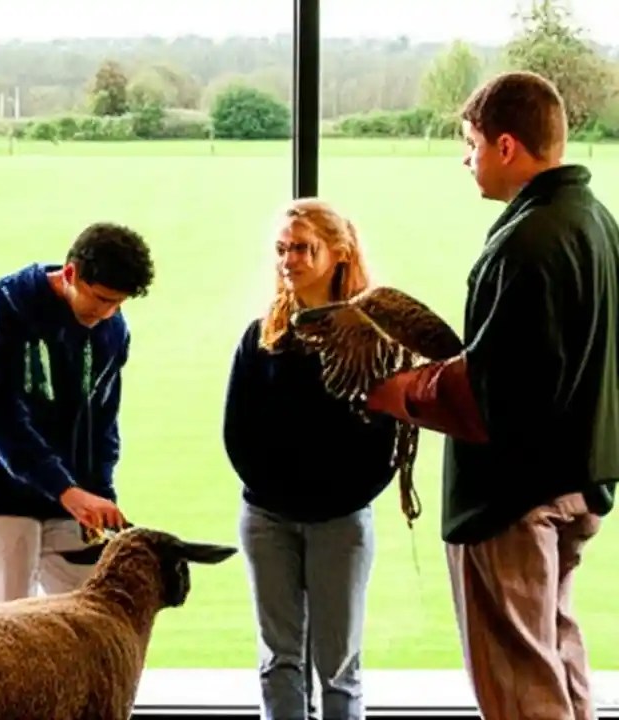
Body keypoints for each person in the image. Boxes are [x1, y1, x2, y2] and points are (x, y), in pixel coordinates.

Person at [366, 71, 618, 720]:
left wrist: (396, 391)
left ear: (507, 146)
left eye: (471, 144)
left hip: (514, 502)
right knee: (558, 669)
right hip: (576, 481)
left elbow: (495, 395)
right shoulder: (593, 220)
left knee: (520, 694)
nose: (466, 160)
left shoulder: (526, 242)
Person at [222, 198, 397, 720]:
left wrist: (331, 500)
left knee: (338, 666)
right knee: (279, 660)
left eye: (302, 248)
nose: (288, 260)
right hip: (268, 520)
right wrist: (280, 497)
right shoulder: (262, 336)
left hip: (340, 523)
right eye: (281, 249)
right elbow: (238, 434)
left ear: (338, 253)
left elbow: (386, 444)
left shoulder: (372, 340)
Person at [0, 222, 154, 606]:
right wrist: (66, 489)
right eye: (102, 298)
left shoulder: (112, 329)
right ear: (70, 274)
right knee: (3, 633)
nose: (108, 313)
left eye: (119, 303)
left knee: (95, 621)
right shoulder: (4, 308)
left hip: (71, 497)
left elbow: (103, 418)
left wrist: (100, 495)